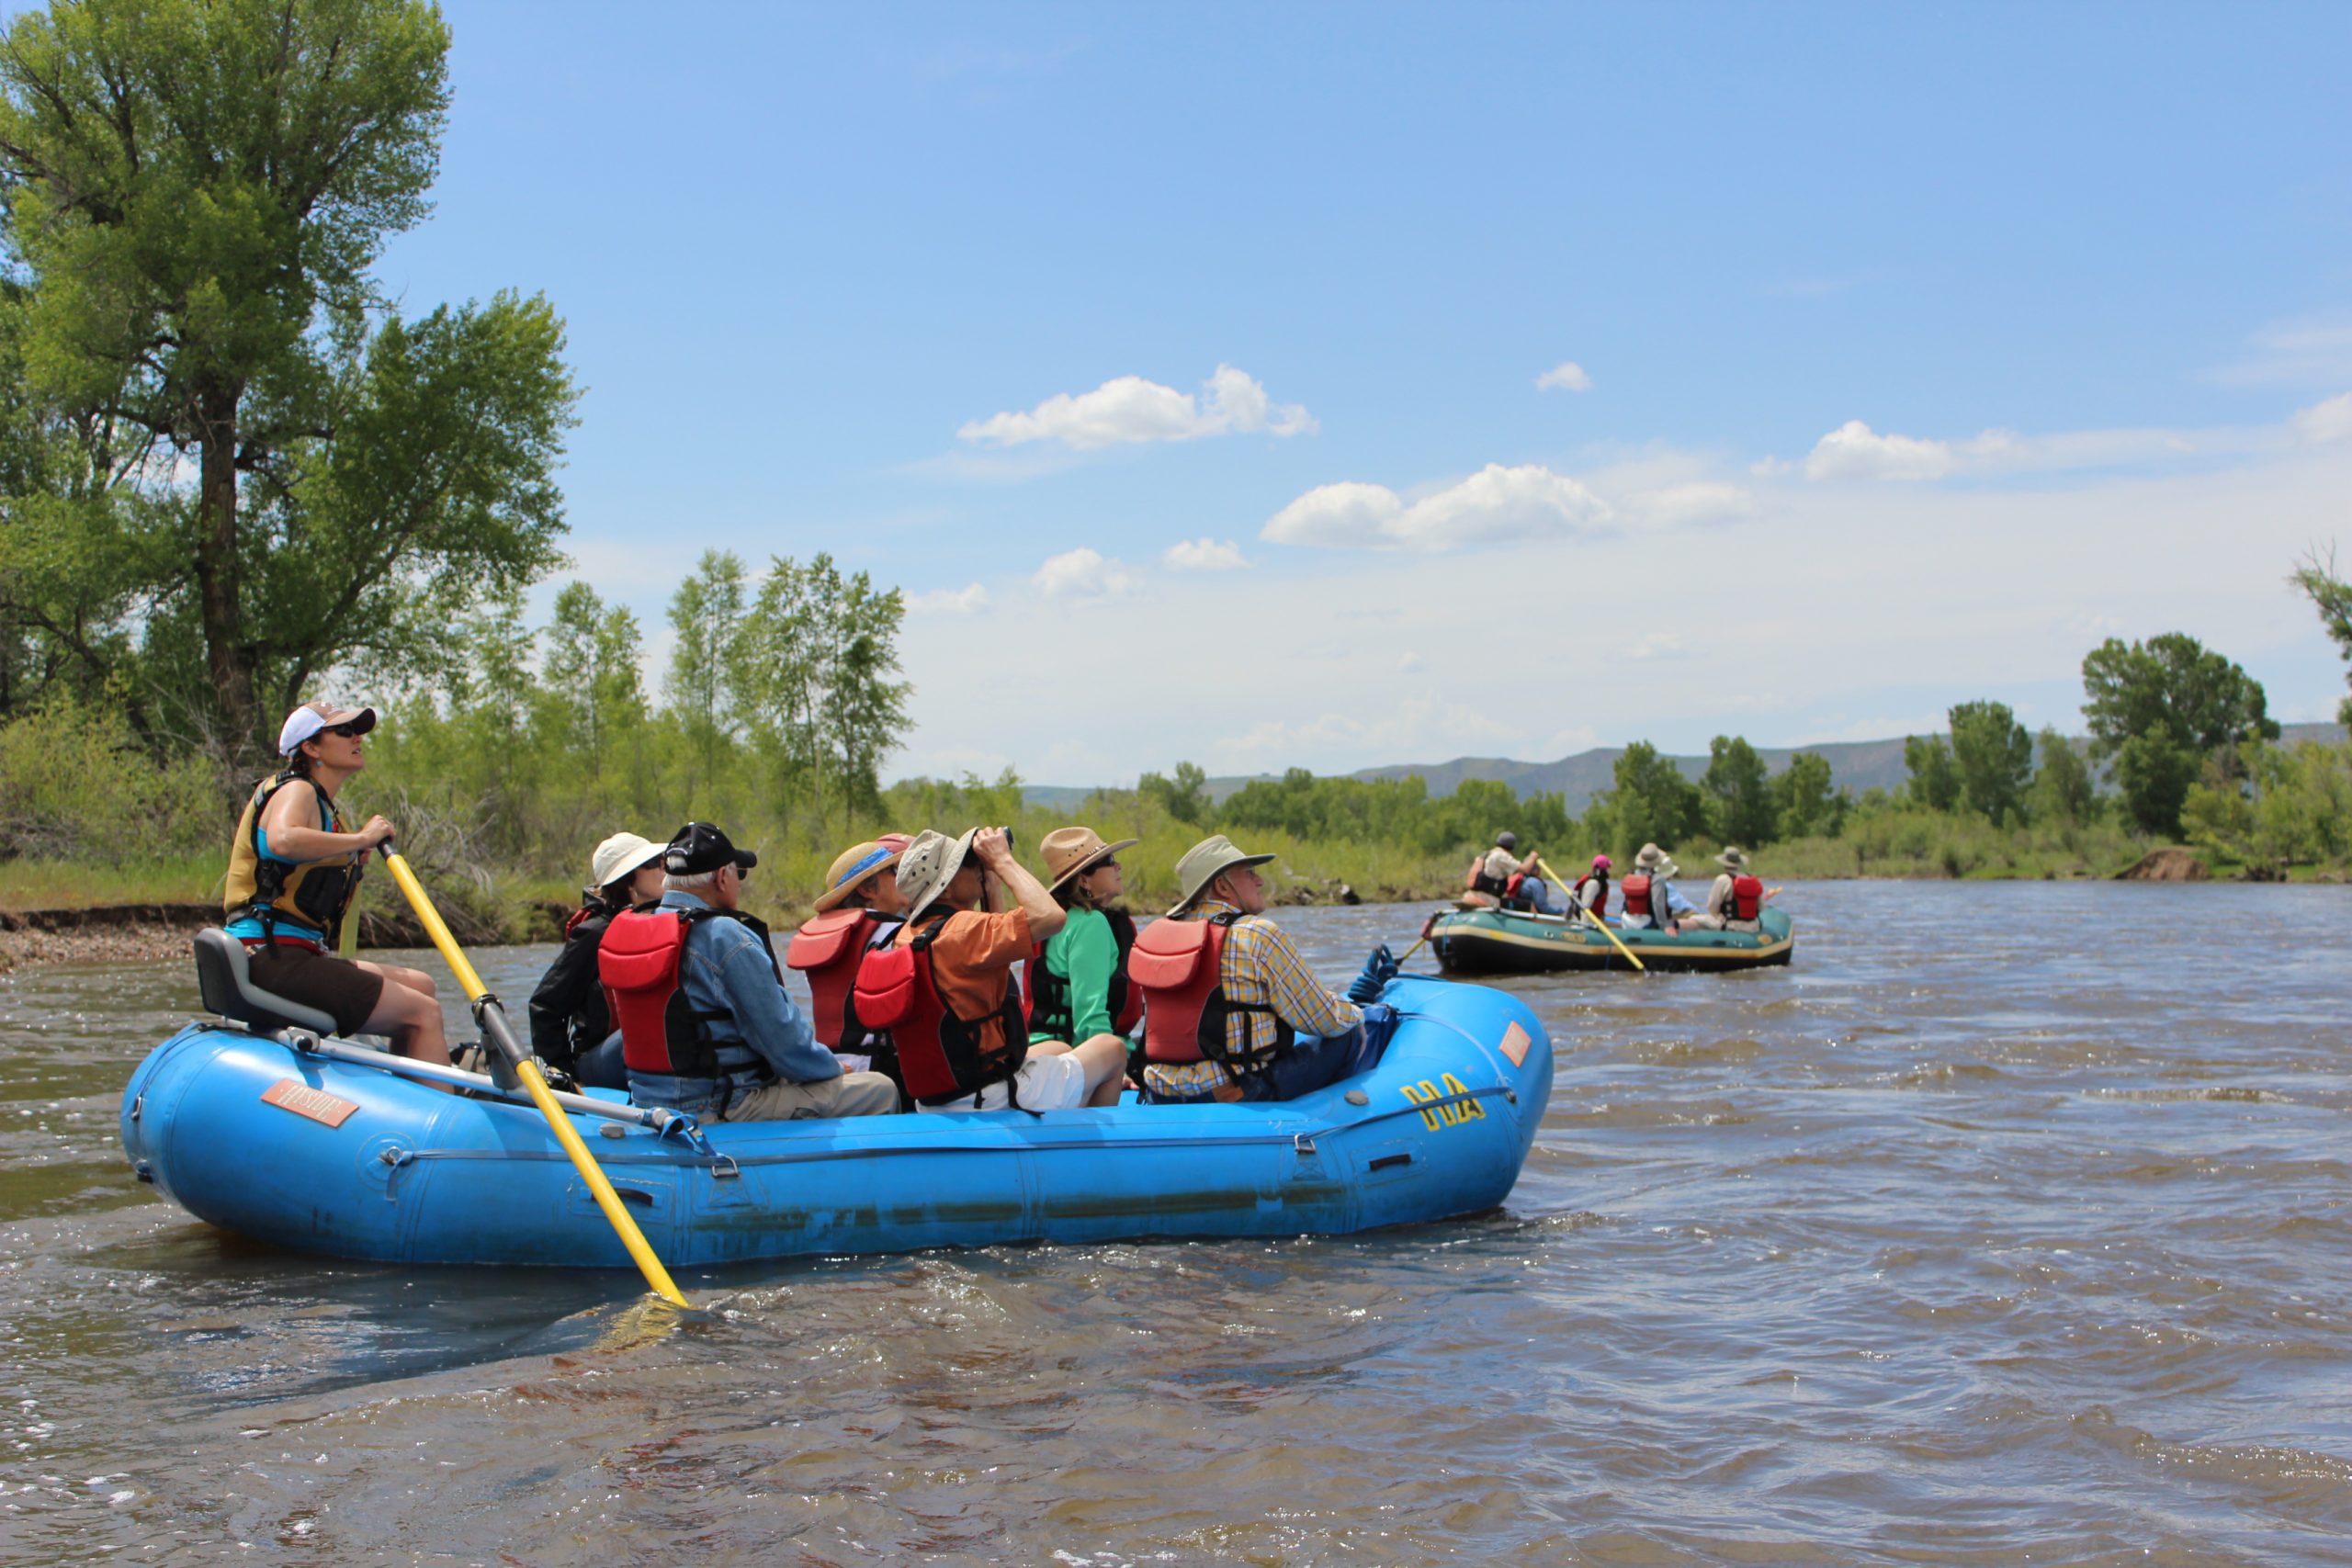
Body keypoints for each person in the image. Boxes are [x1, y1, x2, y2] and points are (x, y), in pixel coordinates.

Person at [598, 822, 897, 1121]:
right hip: (722, 1107)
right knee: (880, 1089)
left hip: (649, 1104)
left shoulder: (635, 927)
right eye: (738, 873)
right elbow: (784, 1044)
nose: (740, 882)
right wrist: (829, 1068)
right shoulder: (724, 936)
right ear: (721, 878)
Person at [222, 701, 447, 1064]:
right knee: (424, 1013)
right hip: (270, 956)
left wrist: (346, 851)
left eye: (356, 730)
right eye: (344, 731)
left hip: (290, 953)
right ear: (311, 748)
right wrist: (359, 840)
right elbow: (282, 840)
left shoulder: (320, 803)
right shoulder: (299, 790)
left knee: (422, 985)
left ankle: (410, 1085)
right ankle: (440, 1110)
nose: (357, 737)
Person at [860, 828, 1128, 1111]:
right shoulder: (966, 930)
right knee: (1112, 1048)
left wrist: (991, 888)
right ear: (946, 889)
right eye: (967, 864)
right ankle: (1086, 1150)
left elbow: (992, 949)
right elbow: (1050, 917)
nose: (978, 867)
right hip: (989, 1095)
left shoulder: (911, 934)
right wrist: (1002, 861)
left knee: (1059, 1049)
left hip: (942, 1093)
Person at [1132, 834, 1396, 1105]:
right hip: (1234, 1092)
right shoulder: (1257, 934)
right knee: (1350, 1033)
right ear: (1223, 886)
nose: (1260, 881)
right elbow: (1323, 1019)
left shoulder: (1154, 937)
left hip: (1160, 1093)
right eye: (1249, 874)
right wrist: (1359, 1010)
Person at [526, 831, 669, 1089]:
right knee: (646, 1028)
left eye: (663, 860)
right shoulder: (594, 934)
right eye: (653, 863)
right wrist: (565, 1076)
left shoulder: (666, 923)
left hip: (642, 1054)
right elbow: (544, 1006)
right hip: (598, 1060)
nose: (663, 868)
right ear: (629, 881)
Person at [785, 833, 912, 1085]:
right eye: (895, 871)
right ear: (866, 889)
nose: (904, 878)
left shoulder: (828, 934)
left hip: (832, 1066)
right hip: (882, 1070)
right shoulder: (892, 932)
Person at [1026, 826, 1144, 1073]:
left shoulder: (1058, 921)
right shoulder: (1091, 923)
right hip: (1075, 1056)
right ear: (1084, 879)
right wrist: (1110, 1070)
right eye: (1109, 861)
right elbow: (1089, 1019)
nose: (1118, 866)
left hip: (1043, 1048)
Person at [1617, 842, 1699, 933]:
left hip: (1626, 921)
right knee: (1693, 925)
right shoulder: (1657, 879)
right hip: (1647, 923)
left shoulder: (1631, 876)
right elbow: (1657, 903)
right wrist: (1665, 926)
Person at [1681, 846, 1767, 932]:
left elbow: (1712, 908)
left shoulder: (1723, 880)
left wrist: (1719, 917)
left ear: (1724, 864)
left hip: (1730, 925)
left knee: (1693, 918)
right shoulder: (1753, 879)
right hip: (1752, 926)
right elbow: (1761, 907)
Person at [1573, 853, 1614, 919]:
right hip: (1585, 924)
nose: (1608, 870)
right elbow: (1585, 909)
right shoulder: (1593, 884)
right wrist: (1584, 927)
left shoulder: (1600, 884)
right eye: (1607, 867)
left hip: (1594, 922)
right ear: (1602, 869)